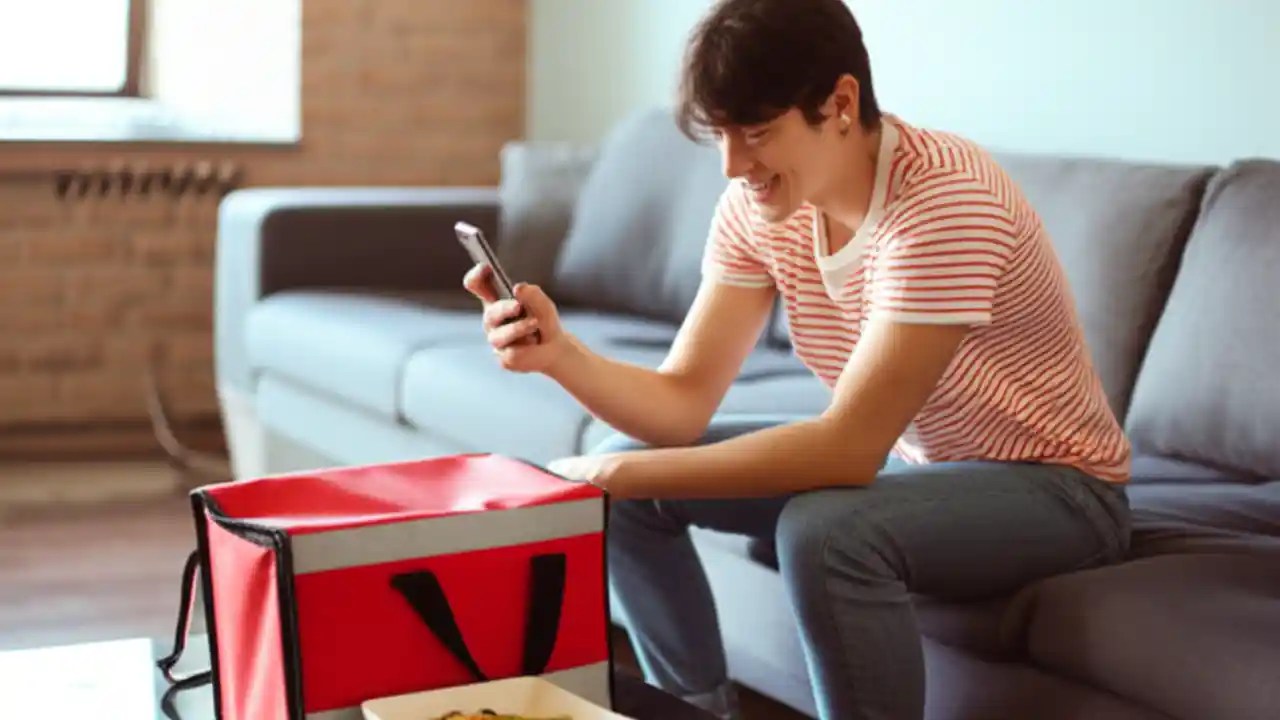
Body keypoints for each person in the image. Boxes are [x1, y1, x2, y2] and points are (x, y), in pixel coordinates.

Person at [463, 1, 1132, 718]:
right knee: (623, 480)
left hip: (1060, 489)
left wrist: (615, 474)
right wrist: (560, 356)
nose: (732, 164)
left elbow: (846, 450)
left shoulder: (943, 202)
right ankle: (697, 706)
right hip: (923, 467)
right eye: (720, 135)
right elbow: (682, 401)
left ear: (839, 103)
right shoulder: (760, 206)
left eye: (755, 133)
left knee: (820, 533)